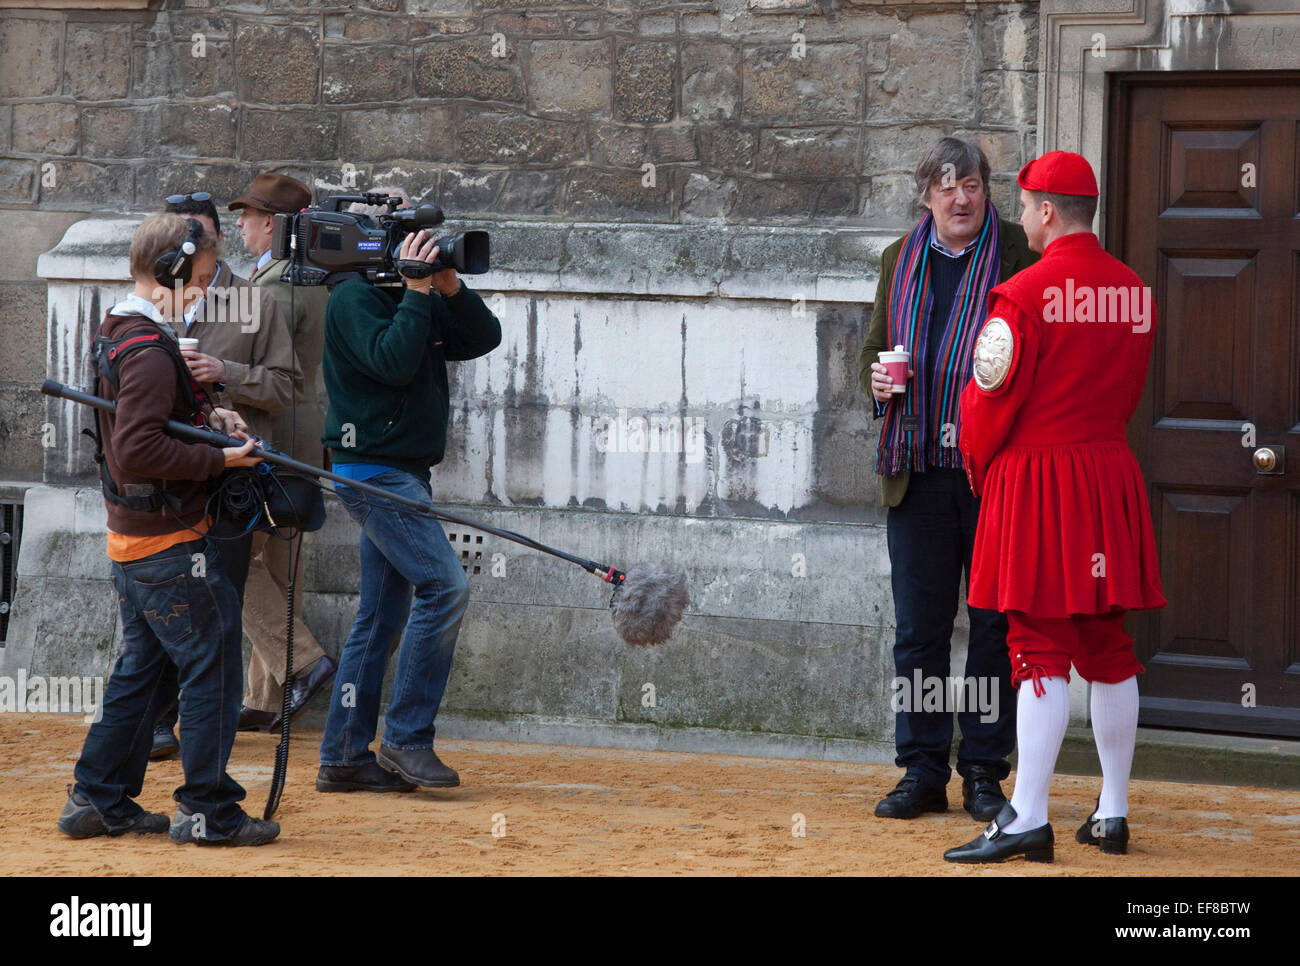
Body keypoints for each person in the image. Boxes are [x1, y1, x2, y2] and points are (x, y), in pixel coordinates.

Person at [943, 151, 1166, 863]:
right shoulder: (1135, 293)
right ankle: (1113, 810)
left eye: (1026, 206)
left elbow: (983, 410)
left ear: (1044, 211)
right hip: (1108, 477)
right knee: (1108, 647)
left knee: (1036, 647)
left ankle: (1026, 817)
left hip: (1040, 484)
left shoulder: (1021, 295)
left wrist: (982, 472)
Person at [57, 213, 279, 846]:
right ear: (173, 272)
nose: (208, 291)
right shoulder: (152, 350)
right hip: (171, 545)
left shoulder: (119, 331)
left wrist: (213, 418)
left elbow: (147, 428)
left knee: (143, 670)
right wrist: (222, 459)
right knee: (211, 668)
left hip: (133, 541)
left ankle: (97, 800)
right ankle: (207, 809)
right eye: (204, 278)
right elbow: (137, 451)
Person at [859, 137, 1037, 821]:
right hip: (917, 473)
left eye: (972, 185)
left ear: (986, 190)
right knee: (920, 632)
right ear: (925, 194)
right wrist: (877, 382)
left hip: (993, 475)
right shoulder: (898, 259)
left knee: (994, 628)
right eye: (946, 186)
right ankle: (923, 768)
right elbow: (875, 347)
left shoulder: (1022, 252)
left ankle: (986, 772)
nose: (961, 198)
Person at [316, 228, 501, 793]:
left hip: (404, 474)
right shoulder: (352, 297)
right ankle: (407, 739)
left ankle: (344, 758)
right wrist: (419, 293)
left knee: (380, 617)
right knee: (445, 588)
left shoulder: (412, 292)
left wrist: (449, 286)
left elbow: (483, 337)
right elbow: (392, 363)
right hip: (373, 473)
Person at [228, 173, 338, 734]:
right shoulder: (315, 280)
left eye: (247, 215)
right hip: (307, 440)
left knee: (233, 565)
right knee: (279, 567)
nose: (240, 224)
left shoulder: (270, 290)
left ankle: (303, 663)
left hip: (269, 440)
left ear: (271, 223)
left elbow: (263, 377)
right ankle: (267, 697)